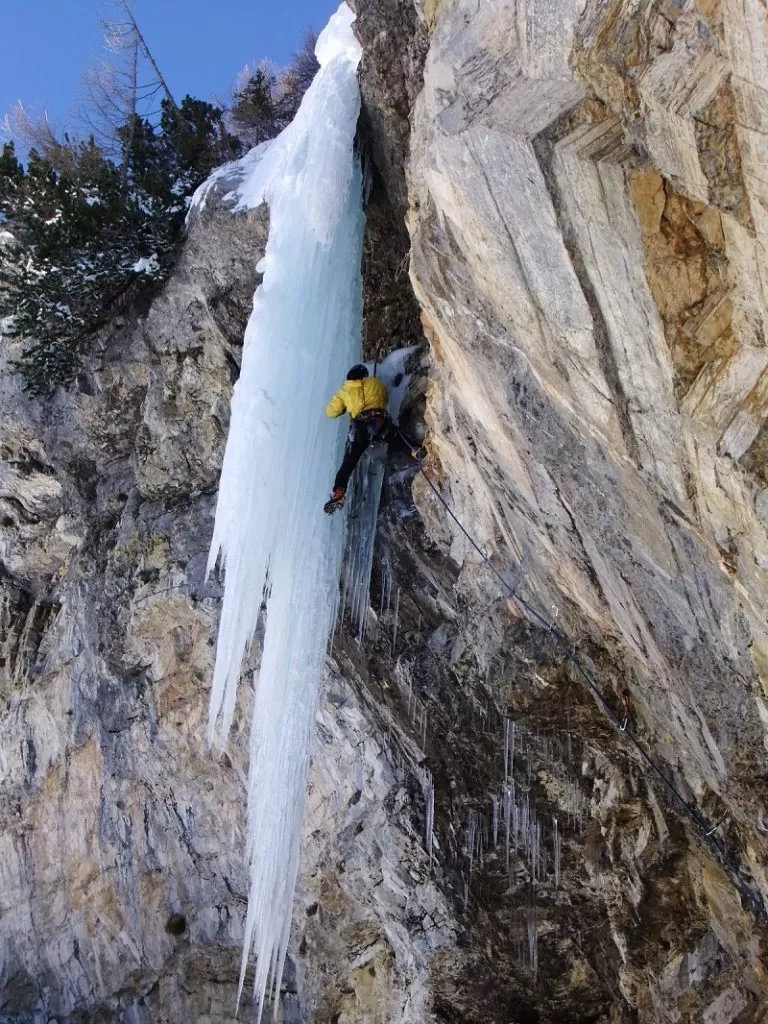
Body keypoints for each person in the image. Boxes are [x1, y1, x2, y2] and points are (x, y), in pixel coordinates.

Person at [324, 363, 391, 513]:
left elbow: (330, 412)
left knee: (349, 462)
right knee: (395, 439)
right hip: (381, 423)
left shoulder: (345, 390)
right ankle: (414, 450)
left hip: (362, 428)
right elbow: (385, 397)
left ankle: (339, 493)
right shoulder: (375, 382)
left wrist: (345, 408)